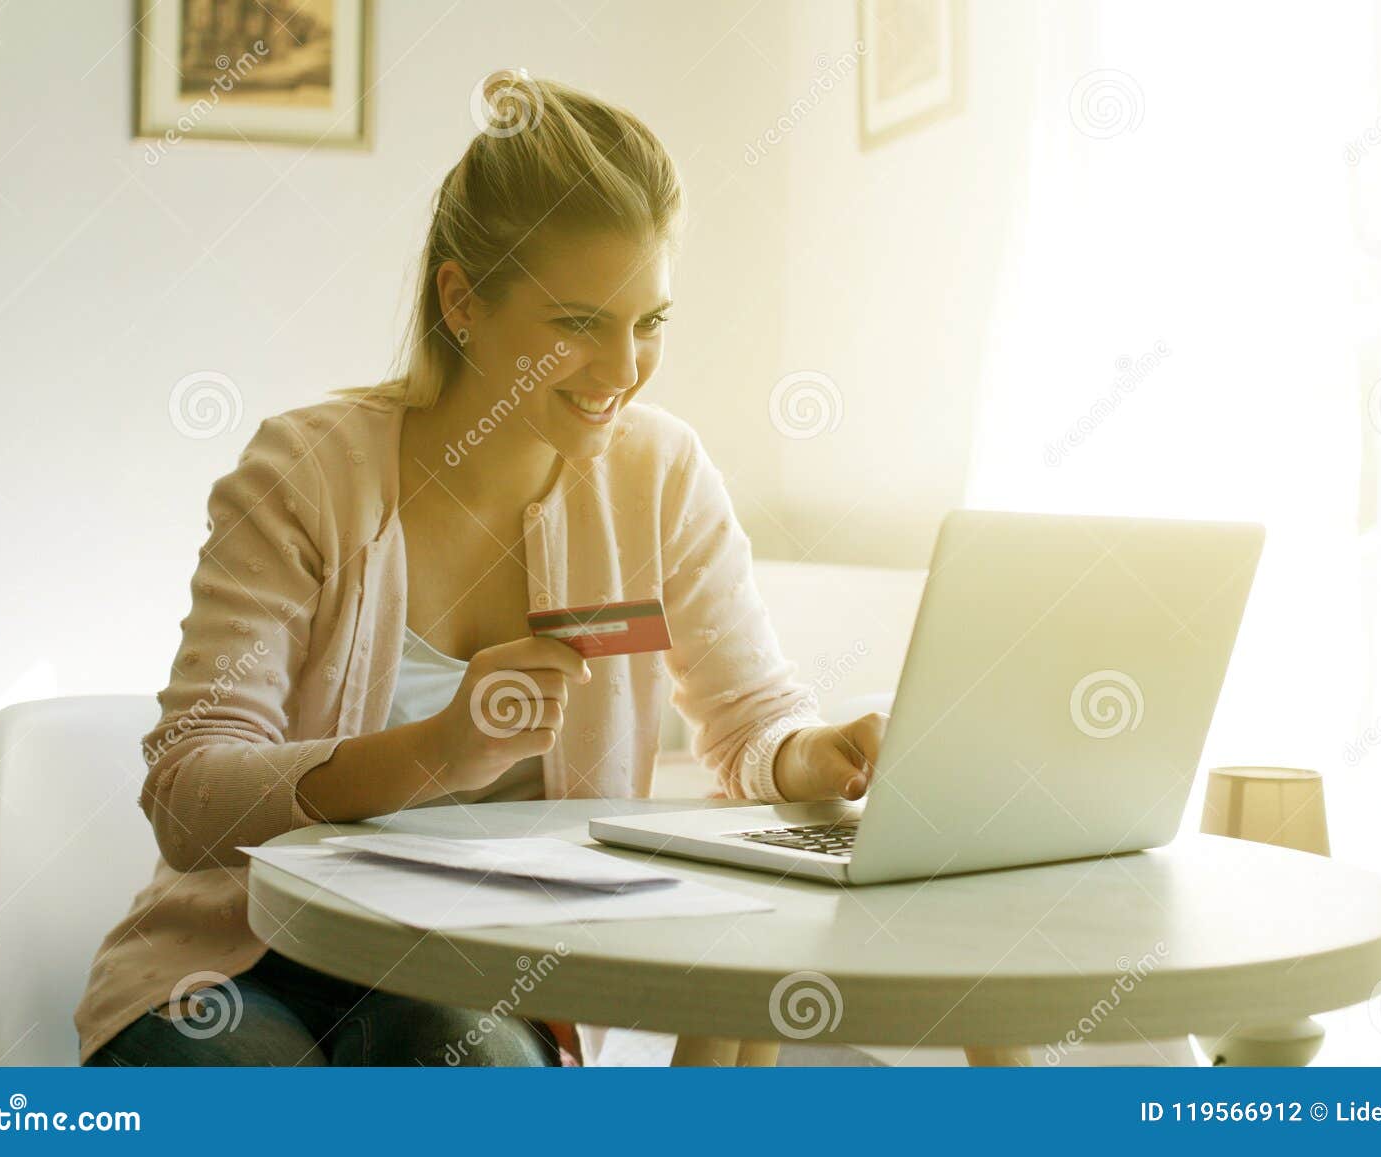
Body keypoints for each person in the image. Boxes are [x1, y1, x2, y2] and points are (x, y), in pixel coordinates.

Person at [76, 72, 885, 1067]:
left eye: (650, 321)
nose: (623, 367)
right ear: (462, 299)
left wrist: (825, 752)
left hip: (476, 974)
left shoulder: (660, 475)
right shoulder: (304, 474)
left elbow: (751, 725)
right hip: (242, 951)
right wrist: (438, 750)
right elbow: (188, 792)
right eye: (578, 322)